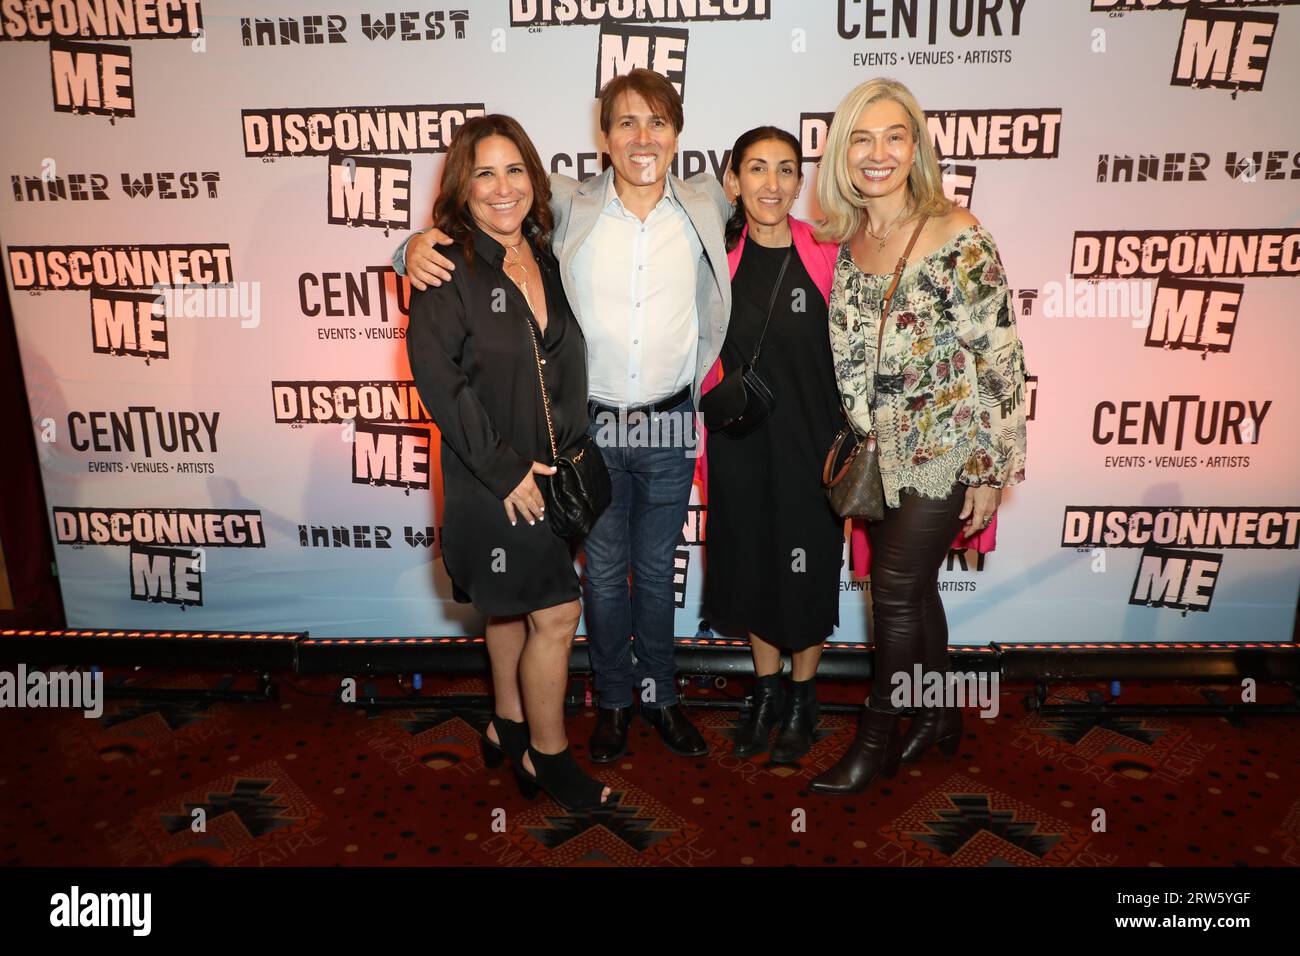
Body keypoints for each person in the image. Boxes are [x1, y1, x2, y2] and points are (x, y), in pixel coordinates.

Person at [395, 70, 732, 764]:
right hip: (592, 432)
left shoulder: (707, 203)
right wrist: (409, 248)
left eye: (658, 123)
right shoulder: (570, 209)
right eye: (627, 124)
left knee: (657, 568)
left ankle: (661, 698)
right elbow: (483, 221)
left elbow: (782, 216)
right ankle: (611, 704)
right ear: (602, 137)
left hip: (670, 423)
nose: (643, 138)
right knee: (602, 578)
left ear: (678, 134)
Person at [808, 79, 1029, 795]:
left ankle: (877, 734)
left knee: (895, 591)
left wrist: (993, 471)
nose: (878, 154)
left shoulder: (955, 233)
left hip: (942, 452)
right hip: (880, 454)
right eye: (862, 139)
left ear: (917, 147)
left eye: (894, 136)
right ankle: (937, 716)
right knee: (918, 591)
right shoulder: (852, 236)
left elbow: (1001, 359)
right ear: (843, 152)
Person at [405, 114, 610, 812]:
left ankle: (506, 723)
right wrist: (506, 472)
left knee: (509, 612)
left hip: (552, 476)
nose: (502, 187)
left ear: (534, 177)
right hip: (494, 482)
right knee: (554, 615)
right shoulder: (447, 269)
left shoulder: (545, 254)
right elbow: (441, 384)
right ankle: (548, 757)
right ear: (461, 188)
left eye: (514, 169)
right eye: (484, 173)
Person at [699, 126, 842, 763]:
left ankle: (804, 697)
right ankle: (765, 692)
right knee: (756, 567)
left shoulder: (830, 252)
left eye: (785, 170)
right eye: (756, 169)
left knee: (807, 574)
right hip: (741, 448)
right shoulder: (713, 257)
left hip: (814, 445)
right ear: (733, 180)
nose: (771, 184)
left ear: (799, 181)